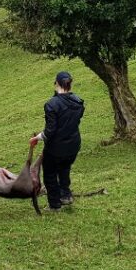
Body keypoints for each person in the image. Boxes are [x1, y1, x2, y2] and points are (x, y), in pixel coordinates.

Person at [30, 71, 85, 211]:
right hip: (73, 145)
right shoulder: (78, 101)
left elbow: (50, 130)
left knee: (50, 174)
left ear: (57, 84)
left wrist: (38, 137)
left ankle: (55, 205)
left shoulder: (51, 104)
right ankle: (65, 195)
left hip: (56, 148)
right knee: (65, 169)